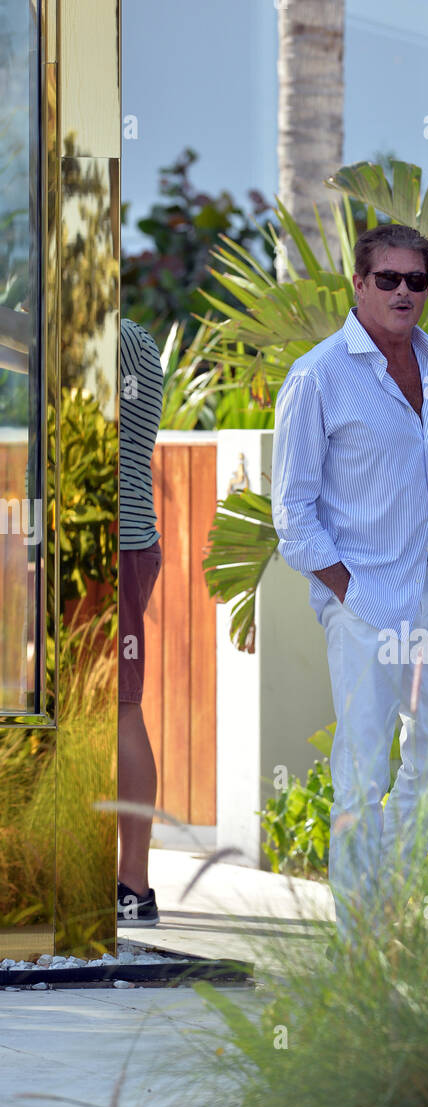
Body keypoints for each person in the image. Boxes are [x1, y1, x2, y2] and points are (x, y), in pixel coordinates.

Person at [271, 223, 428, 941]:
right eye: (387, 279)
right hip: (362, 599)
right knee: (362, 772)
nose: (403, 293)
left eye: (416, 280)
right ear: (357, 284)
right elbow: (292, 515)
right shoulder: (318, 375)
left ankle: (387, 894)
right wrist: (352, 593)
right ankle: (362, 941)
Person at [116, 317, 164, 927]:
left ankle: (134, 887)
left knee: (121, 707)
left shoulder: (119, 337)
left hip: (117, 543)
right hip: (111, 539)